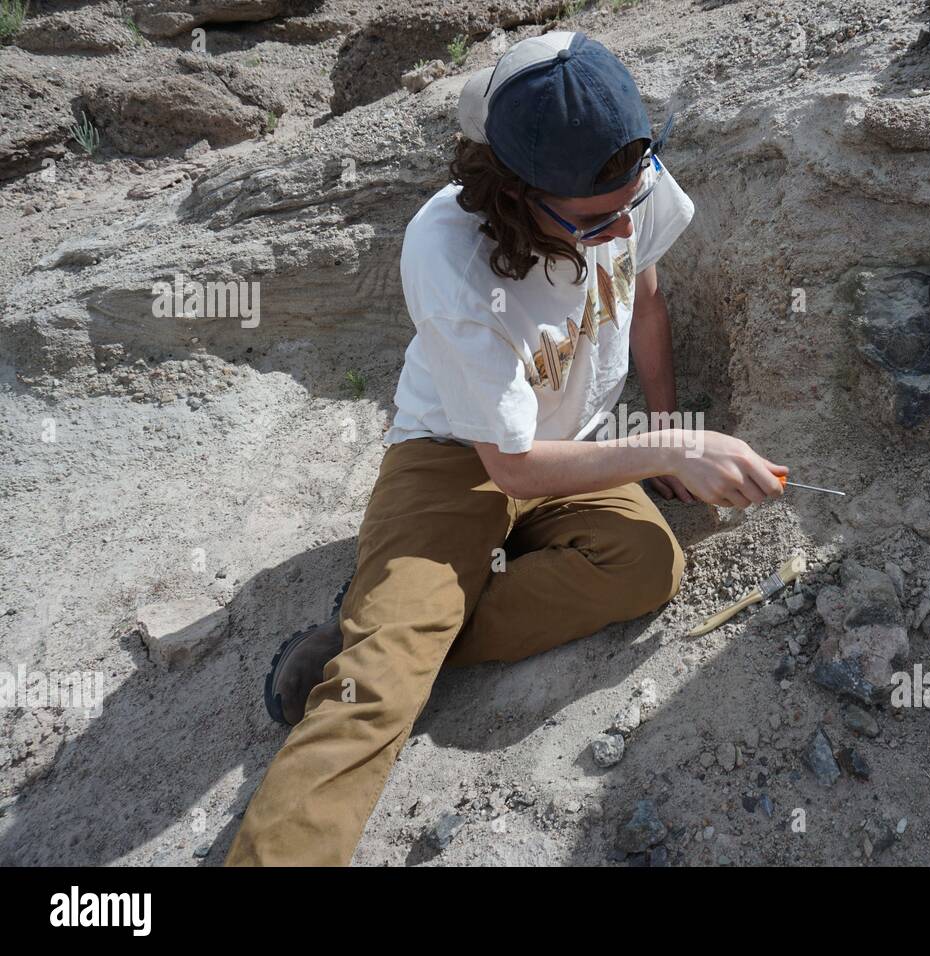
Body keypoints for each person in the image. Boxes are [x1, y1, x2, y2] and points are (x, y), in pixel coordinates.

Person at [225, 30, 786, 866]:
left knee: (645, 566)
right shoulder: (448, 251)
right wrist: (675, 447)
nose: (623, 226)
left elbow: (650, 297)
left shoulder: (620, 181)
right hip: (457, 456)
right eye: (597, 221)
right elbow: (510, 466)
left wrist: (665, 435)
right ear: (517, 190)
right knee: (375, 693)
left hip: (576, 450)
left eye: (634, 201)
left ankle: (403, 632)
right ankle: (378, 664)